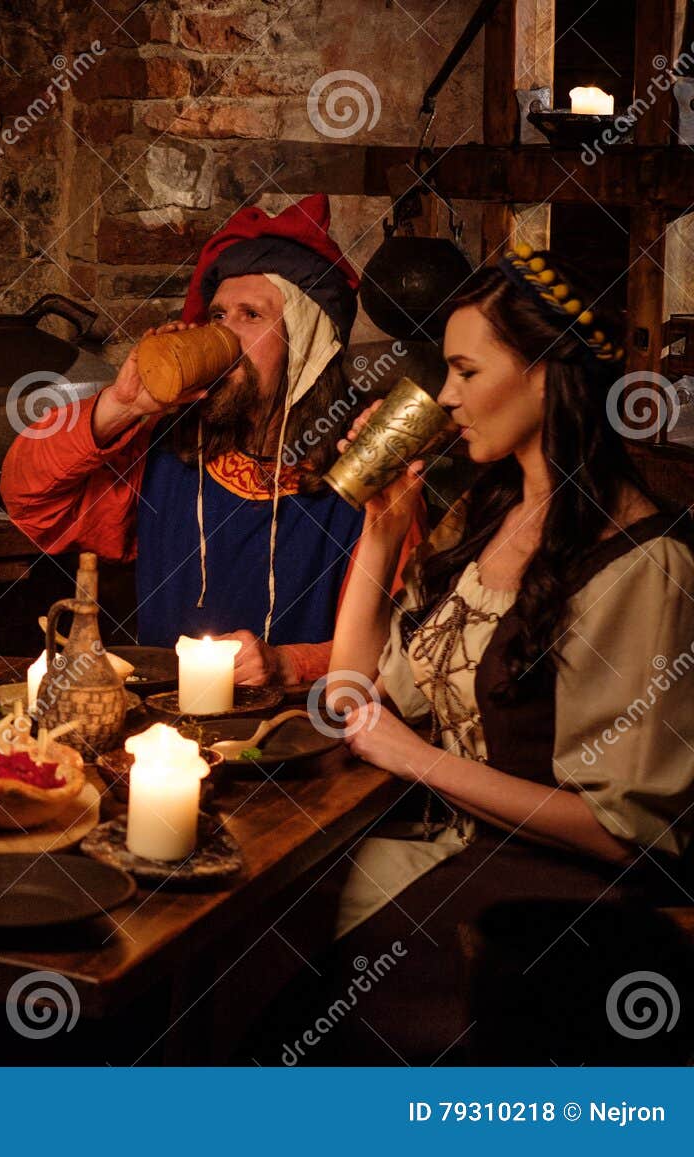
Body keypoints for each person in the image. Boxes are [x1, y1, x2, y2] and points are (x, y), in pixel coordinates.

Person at [240, 246, 694, 1064]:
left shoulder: (645, 562)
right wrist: (379, 530)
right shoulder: (483, 520)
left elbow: (622, 830)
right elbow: (354, 700)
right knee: (249, 945)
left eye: (464, 370)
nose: (445, 395)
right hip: (448, 841)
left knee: (321, 1009)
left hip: (559, 893)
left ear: (548, 374)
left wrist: (416, 760)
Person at [1, 194, 421, 685]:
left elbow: (402, 648)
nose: (225, 335)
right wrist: (123, 406)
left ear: (308, 343)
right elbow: (30, 503)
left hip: (298, 740)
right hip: (163, 738)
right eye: (218, 316)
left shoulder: (369, 479)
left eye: (251, 316)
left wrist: (288, 664)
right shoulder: (170, 456)